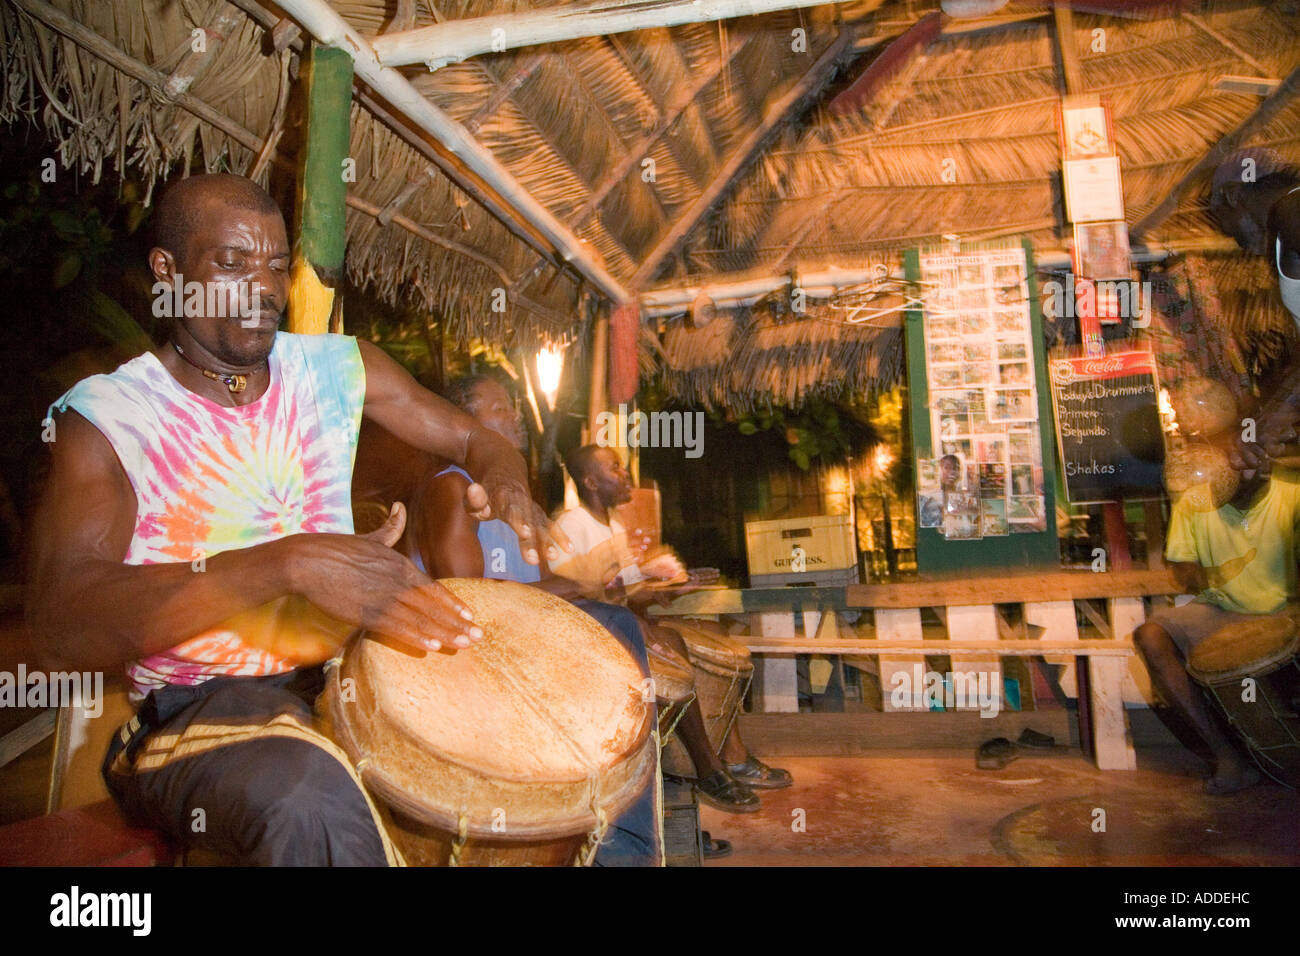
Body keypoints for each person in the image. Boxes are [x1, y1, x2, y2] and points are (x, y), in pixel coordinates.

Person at [26, 174, 562, 865]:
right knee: (307, 799)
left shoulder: (337, 370)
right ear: (168, 271)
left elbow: (471, 439)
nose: (264, 287)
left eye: (277, 265)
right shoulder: (108, 420)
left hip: (347, 678)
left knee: (554, 704)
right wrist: (289, 563)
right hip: (201, 713)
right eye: (232, 262)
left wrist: (506, 476)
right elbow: (60, 627)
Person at [354, 374, 667, 864]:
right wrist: (579, 586)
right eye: (501, 407)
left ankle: (610, 828)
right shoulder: (452, 488)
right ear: (463, 423)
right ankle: (622, 846)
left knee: (619, 627)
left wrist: (583, 581)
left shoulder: (510, 498)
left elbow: (545, 584)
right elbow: (468, 600)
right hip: (455, 656)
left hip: (511, 645)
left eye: (514, 405)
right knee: (614, 625)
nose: (516, 415)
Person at [551, 444, 793, 811]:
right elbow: (571, 593)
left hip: (628, 624)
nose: (625, 474)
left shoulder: (614, 526)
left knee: (714, 638)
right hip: (596, 635)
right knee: (675, 644)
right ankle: (707, 769)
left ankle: (733, 754)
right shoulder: (571, 525)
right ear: (590, 481)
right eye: (614, 468)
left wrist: (676, 587)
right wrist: (637, 587)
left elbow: (633, 595)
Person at [1133, 444, 1300, 794]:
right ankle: (1226, 756)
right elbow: (1187, 569)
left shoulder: (1293, 494)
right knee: (1151, 636)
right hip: (1222, 610)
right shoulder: (1194, 501)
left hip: (1287, 609)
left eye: (1248, 466)